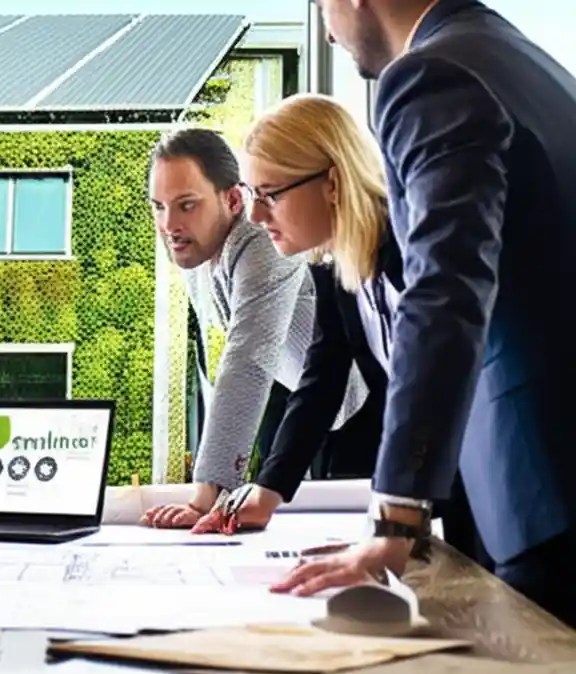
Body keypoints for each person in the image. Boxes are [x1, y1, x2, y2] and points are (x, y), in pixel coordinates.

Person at [274, 0, 576, 629]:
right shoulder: (527, 64)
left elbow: (443, 290)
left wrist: (396, 520)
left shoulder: (429, 77)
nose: (327, 33)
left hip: (543, 495)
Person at [142, 128, 374, 530]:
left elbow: (247, 360)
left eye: (186, 205)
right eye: (159, 207)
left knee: (343, 529)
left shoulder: (263, 240)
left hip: (353, 405)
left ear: (233, 200)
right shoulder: (193, 245)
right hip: (292, 389)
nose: (168, 225)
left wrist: (204, 496)